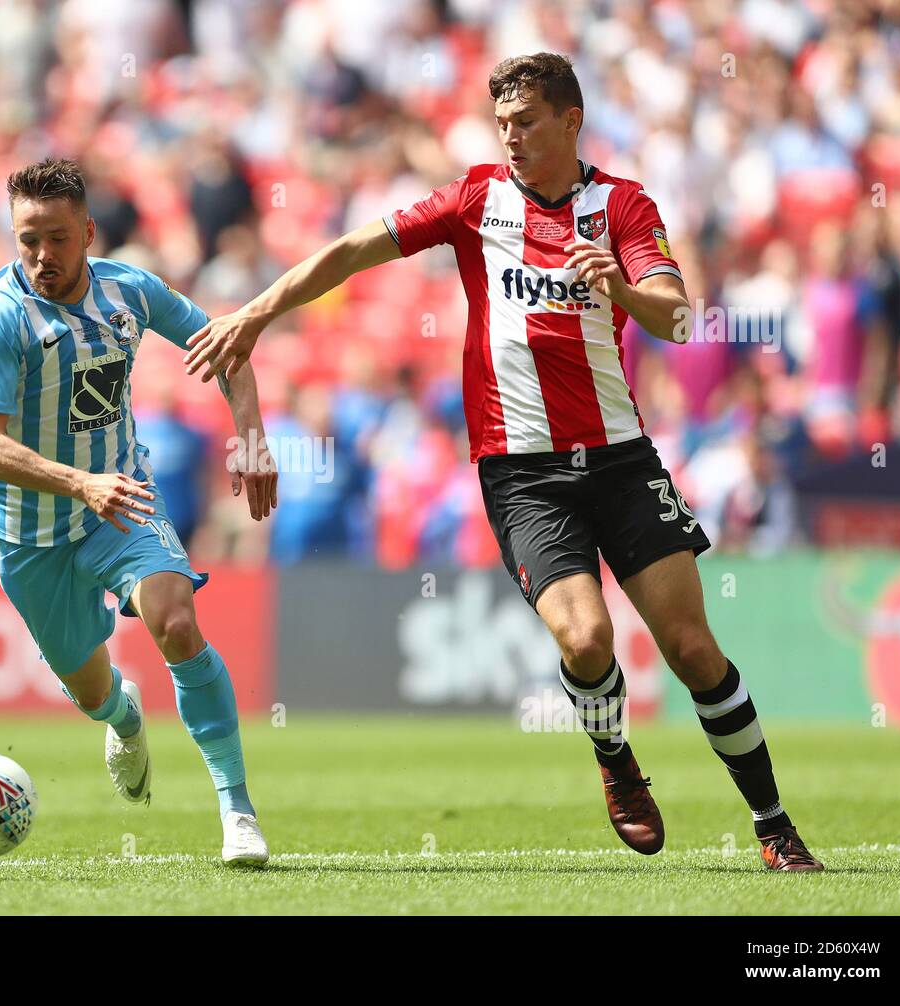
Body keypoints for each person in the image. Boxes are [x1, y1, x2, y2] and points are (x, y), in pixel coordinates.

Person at [184, 53, 823, 872]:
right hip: (523, 474)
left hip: (623, 461)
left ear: (570, 120)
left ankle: (774, 826)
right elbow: (352, 248)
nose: (511, 137)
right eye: (503, 124)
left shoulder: (624, 206)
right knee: (587, 640)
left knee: (694, 651)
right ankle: (617, 762)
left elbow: (677, 317)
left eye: (526, 121)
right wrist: (259, 312)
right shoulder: (474, 197)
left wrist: (619, 291)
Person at [0, 158, 279, 866]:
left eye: (58, 238)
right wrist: (80, 483)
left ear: (89, 232)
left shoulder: (129, 292)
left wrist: (251, 439)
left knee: (175, 620)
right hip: (31, 535)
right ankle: (121, 715)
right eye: (28, 240)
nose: (43, 256)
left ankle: (237, 810)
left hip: (121, 502)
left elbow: (229, 351)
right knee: (92, 690)